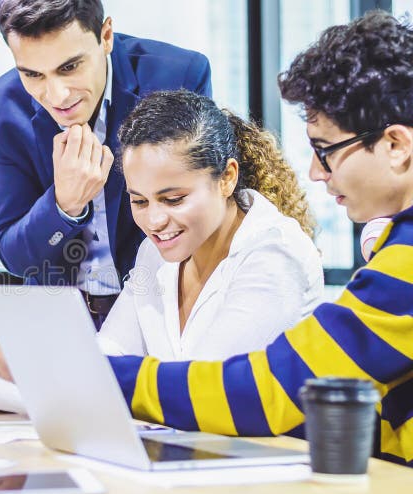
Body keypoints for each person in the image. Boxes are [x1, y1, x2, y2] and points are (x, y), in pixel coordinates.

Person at [0, 11, 413, 466]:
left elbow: (265, 389)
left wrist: (55, 368)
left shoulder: (293, 253)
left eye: (325, 151)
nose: (315, 172)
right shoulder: (153, 257)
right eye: (138, 202)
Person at [0, 0, 212, 328]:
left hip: (162, 311)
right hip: (60, 321)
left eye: (69, 67)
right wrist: (64, 206)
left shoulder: (177, 75)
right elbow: (15, 254)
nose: (57, 95)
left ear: (105, 35)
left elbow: (199, 212)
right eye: (33, 74)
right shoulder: (1, 108)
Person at [97, 90, 322, 361]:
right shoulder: (152, 253)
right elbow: (107, 354)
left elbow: (205, 385)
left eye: (173, 199)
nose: (154, 221)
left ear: (227, 178)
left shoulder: (275, 253)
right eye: (140, 201)